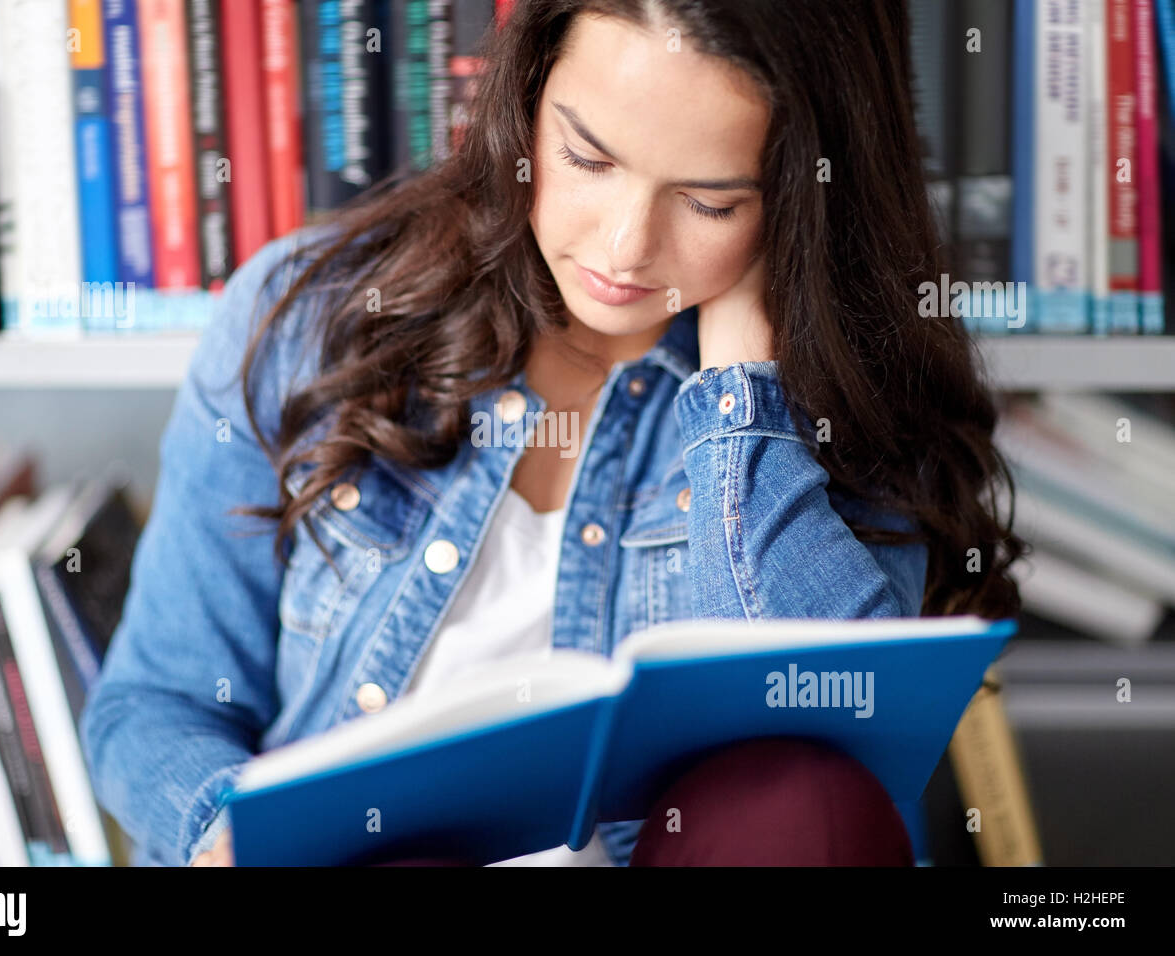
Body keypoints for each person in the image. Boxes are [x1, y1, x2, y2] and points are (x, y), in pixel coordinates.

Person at [80, 0, 1024, 867]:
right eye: (587, 158)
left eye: (710, 202)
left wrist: (742, 403)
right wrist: (222, 826)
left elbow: (826, 741)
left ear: (802, 197)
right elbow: (154, 704)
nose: (623, 249)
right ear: (526, 99)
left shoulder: (840, 397)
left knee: (795, 794)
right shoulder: (310, 316)